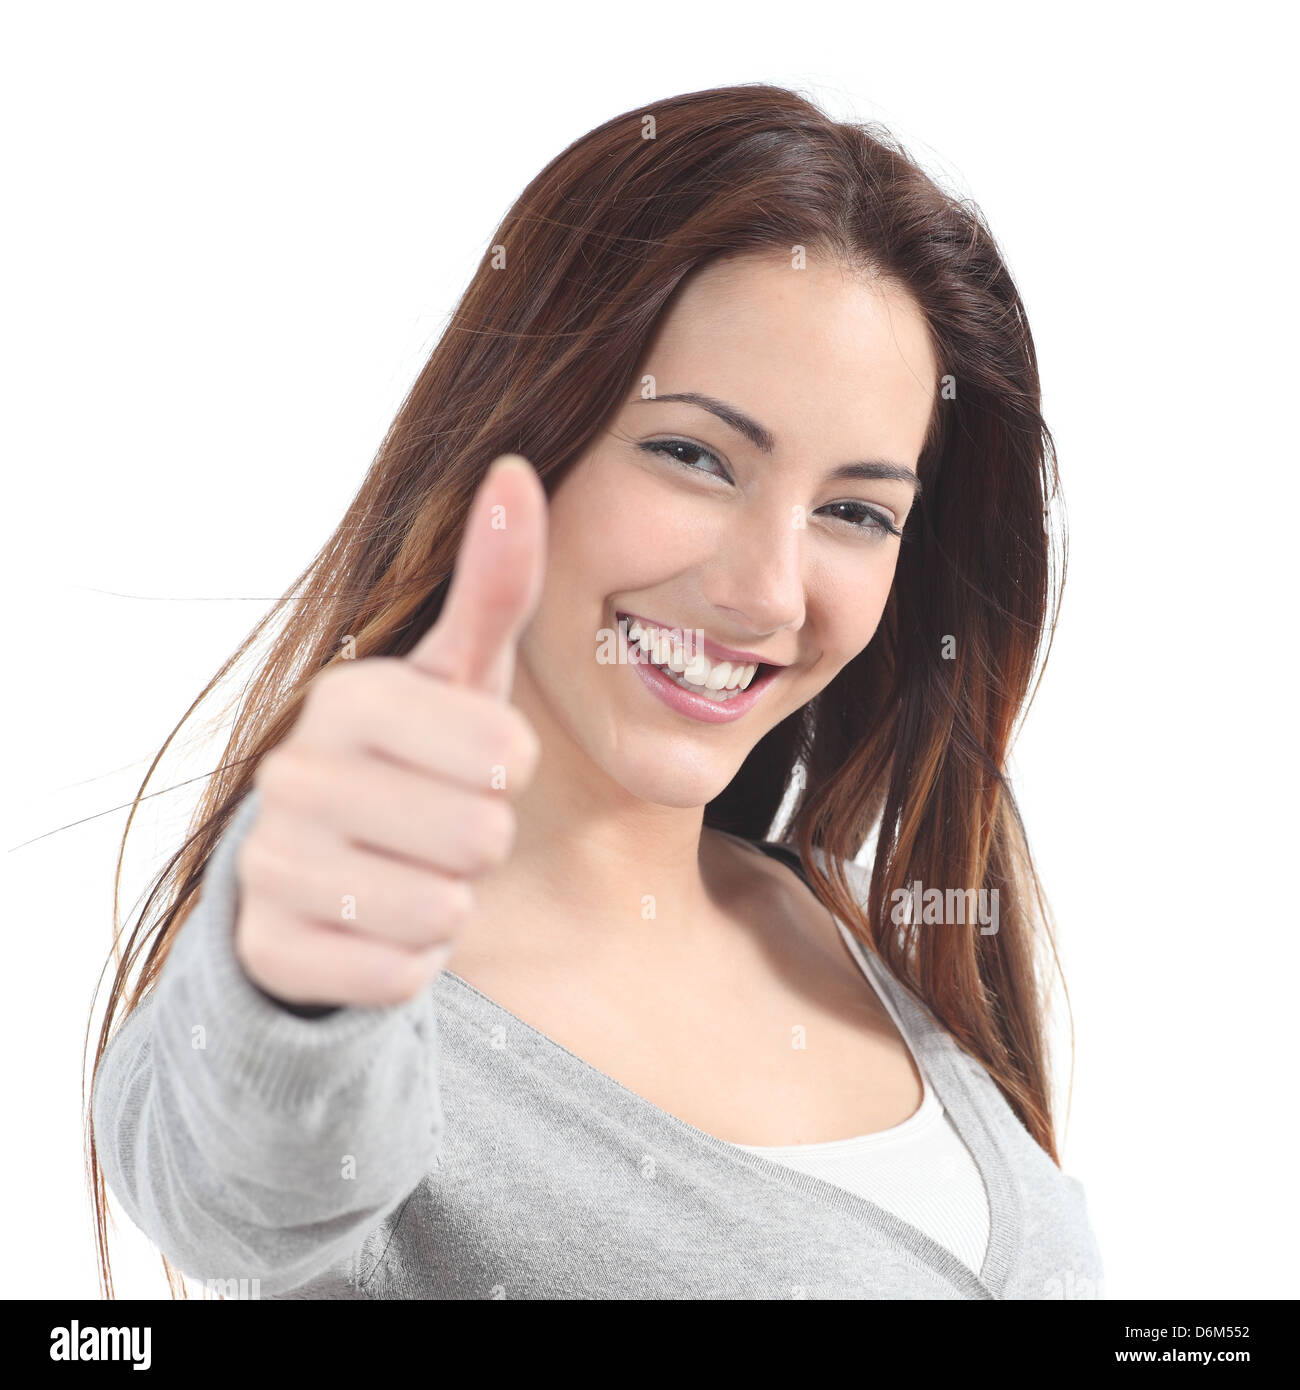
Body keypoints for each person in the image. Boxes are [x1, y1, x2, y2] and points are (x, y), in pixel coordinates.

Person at [87, 83, 1103, 1300]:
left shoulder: (830, 924)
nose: (769, 591)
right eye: (691, 454)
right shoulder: (369, 988)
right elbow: (237, 1179)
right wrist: (295, 960)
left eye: (854, 510)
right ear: (514, 441)